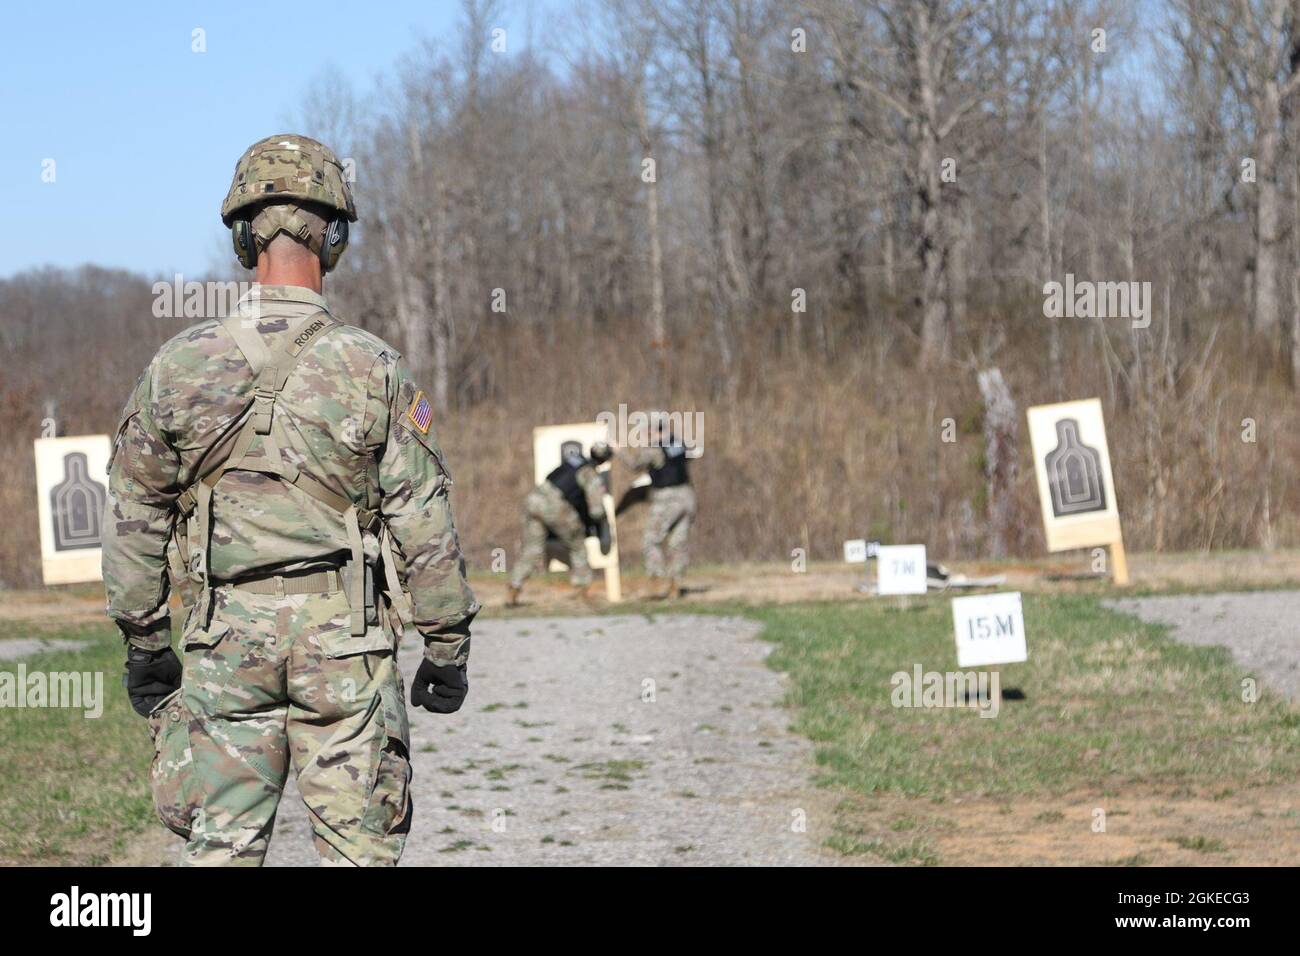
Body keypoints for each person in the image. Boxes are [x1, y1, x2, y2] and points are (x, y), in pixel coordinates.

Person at [102, 134, 478, 866]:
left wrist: (146, 646)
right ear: (333, 235)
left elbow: (131, 519)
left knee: (221, 853)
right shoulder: (372, 367)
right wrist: (446, 646)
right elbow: (424, 522)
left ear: (244, 236)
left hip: (223, 643)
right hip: (347, 642)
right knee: (358, 853)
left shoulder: (179, 366)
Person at [506, 440, 612, 606]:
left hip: (535, 499)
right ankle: (582, 589)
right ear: (605, 460)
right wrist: (599, 522)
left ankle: (514, 587)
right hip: (555, 506)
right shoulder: (590, 473)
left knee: (532, 550)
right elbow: (596, 510)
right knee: (578, 544)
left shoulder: (573, 460)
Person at [618, 415, 695, 599]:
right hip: (688, 496)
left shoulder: (653, 449)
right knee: (678, 543)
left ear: (652, 431)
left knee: (651, 541)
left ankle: (657, 581)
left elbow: (634, 464)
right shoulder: (678, 443)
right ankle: (675, 585)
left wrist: (618, 450)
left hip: (668, 499)